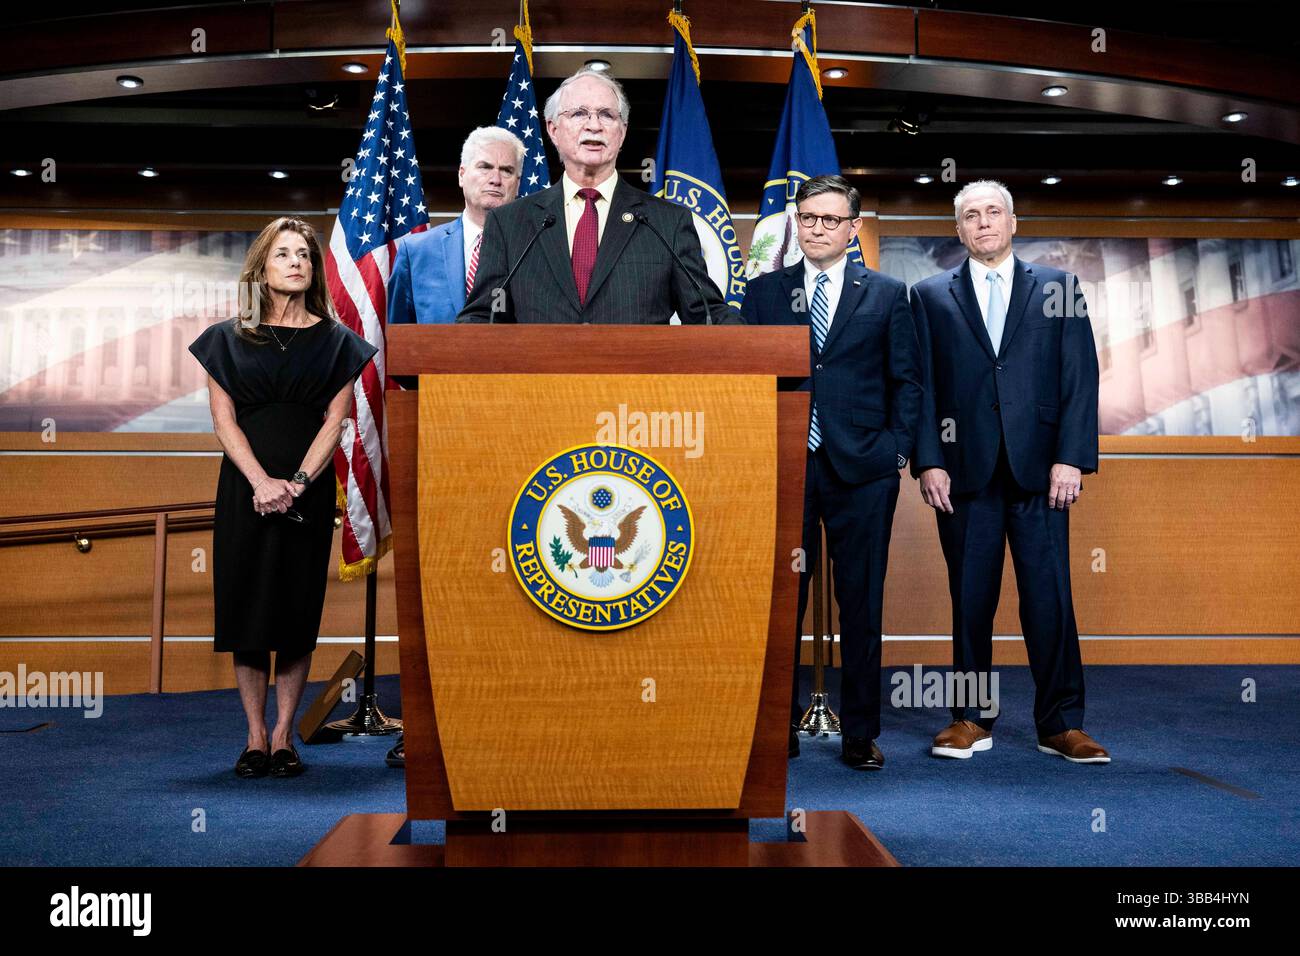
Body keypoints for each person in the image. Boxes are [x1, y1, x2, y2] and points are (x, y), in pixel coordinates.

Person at [909, 180, 1109, 764]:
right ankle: (970, 718)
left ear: (1013, 221)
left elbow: (1080, 377)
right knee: (970, 599)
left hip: (1043, 472)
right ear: (959, 229)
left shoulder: (1059, 287)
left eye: (993, 212)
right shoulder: (929, 296)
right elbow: (920, 385)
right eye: (970, 215)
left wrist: (1071, 457)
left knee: (1049, 599)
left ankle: (1061, 723)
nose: (983, 223)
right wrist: (928, 460)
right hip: (963, 473)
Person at [742, 176, 922, 771]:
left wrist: (896, 449)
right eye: (807, 217)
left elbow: (908, 380)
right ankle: (777, 729)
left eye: (829, 219)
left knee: (861, 601)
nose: (816, 227)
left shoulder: (889, 293)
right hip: (786, 464)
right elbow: (750, 378)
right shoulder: (764, 291)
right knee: (781, 603)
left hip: (864, 470)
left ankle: (861, 735)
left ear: (852, 228)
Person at [189, 217, 377, 778]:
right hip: (244, 490)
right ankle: (252, 737)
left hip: (307, 492)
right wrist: (260, 482)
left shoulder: (338, 341)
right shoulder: (225, 338)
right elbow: (223, 422)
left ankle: (283, 736)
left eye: (304, 254)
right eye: (282, 254)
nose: (296, 262)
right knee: (248, 613)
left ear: (314, 268)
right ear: (261, 268)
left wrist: (295, 482)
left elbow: (336, 421)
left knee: (295, 615)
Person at [457, 66, 738, 324]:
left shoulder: (666, 223)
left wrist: (760, 346)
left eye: (606, 114)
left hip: (635, 379)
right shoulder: (509, 224)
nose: (594, 125)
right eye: (579, 113)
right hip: (539, 378)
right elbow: (484, 317)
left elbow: (705, 313)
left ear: (622, 132)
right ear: (553, 130)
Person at [388, 126, 526, 326]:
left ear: (518, 182)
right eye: (485, 167)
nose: (495, 179)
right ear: (462, 175)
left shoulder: (536, 249)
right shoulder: (416, 252)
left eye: (506, 171)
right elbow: (400, 339)